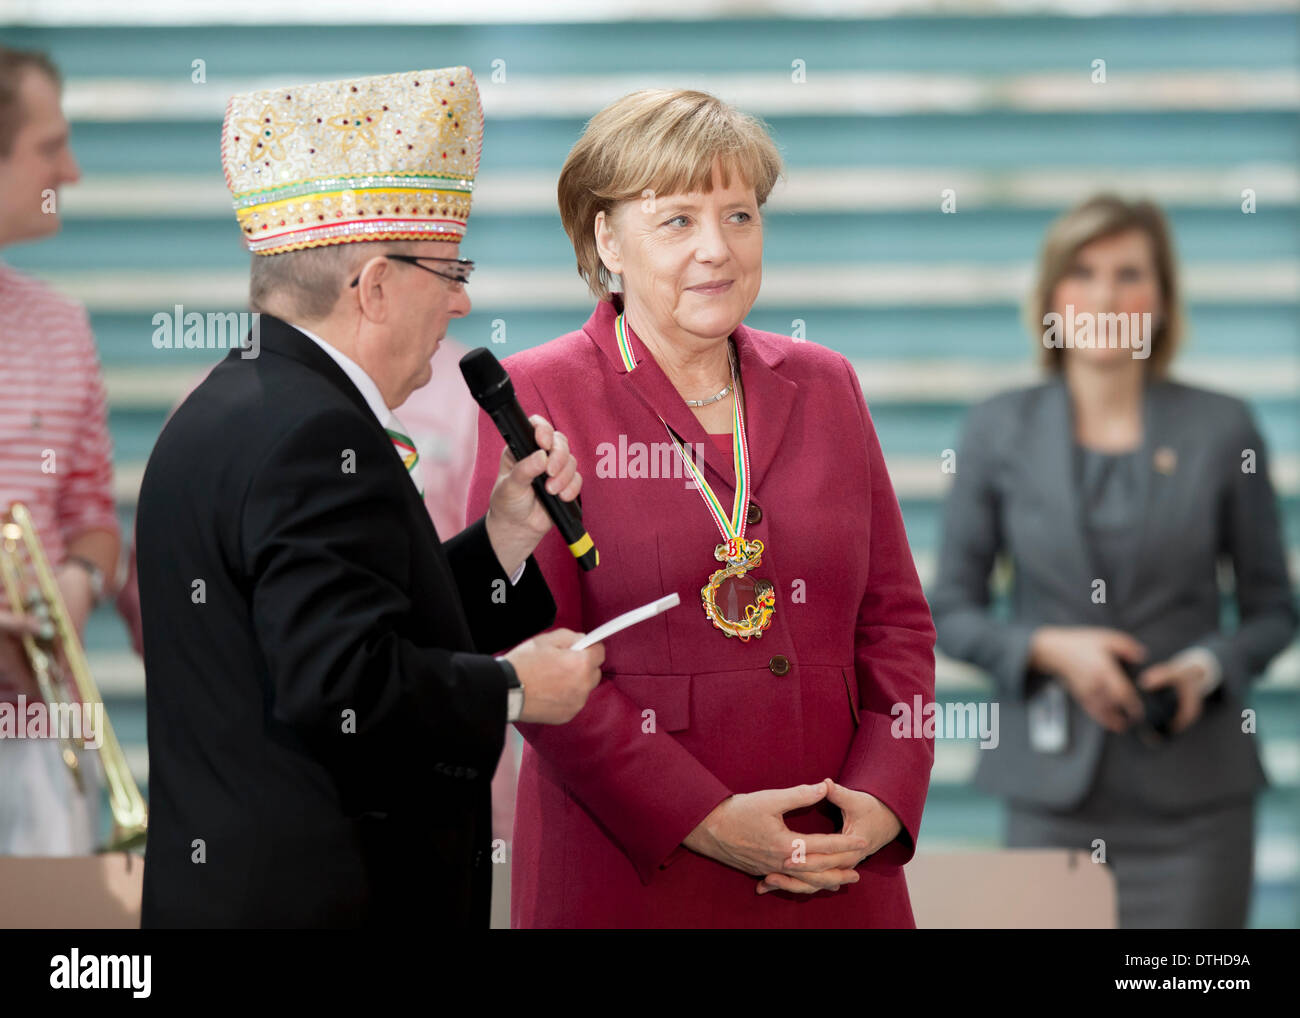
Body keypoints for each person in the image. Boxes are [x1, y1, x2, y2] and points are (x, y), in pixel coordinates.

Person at [135, 67, 603, 928]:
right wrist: (511, 688)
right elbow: (339, 685)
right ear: (376, 284)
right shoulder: (313, 433)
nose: (462, 301)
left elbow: (354, 626)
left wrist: (501, 538)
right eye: (450, 271)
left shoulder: (237, 401)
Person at [467, 89, 936, 928]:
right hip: (637, 869)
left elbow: (896, 621)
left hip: (834, 863)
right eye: (677, 220)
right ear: (606, 238)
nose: (717, 249)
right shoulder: (540, 392)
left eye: (740, 215)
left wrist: (884, 795)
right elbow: (536, 647)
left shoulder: (827, 382)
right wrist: (705, 821)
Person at [930, 194, 1298, 928]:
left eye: (1129, 273)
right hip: (1051, 796)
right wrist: (1045, 648)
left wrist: (1206, 669)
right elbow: (948, 612)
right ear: (1052, 297)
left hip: (1198, 800)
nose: (1105, 294)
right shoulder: (997, 427)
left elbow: (1271, 612)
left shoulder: (1224, 427)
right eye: (1084, 272)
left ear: (1159, 300)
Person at [0, 44, 121, 855]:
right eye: (50, 147)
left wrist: (77, 583)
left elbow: (93, 518)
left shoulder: (61, 327)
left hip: (37, 747)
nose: (71, 172)